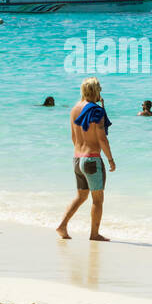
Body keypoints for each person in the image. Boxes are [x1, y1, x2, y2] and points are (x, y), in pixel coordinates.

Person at [56, 77, 115, 241]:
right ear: (96, 91)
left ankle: (62, 225)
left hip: (77, 159)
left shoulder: (74, 109)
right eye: (100, 89)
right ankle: (94, 234)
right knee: (98, 200)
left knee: (81, 196)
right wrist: (110, 159)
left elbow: (73, 137)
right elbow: (102, 139)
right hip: (92, 160)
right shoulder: (96, 111)